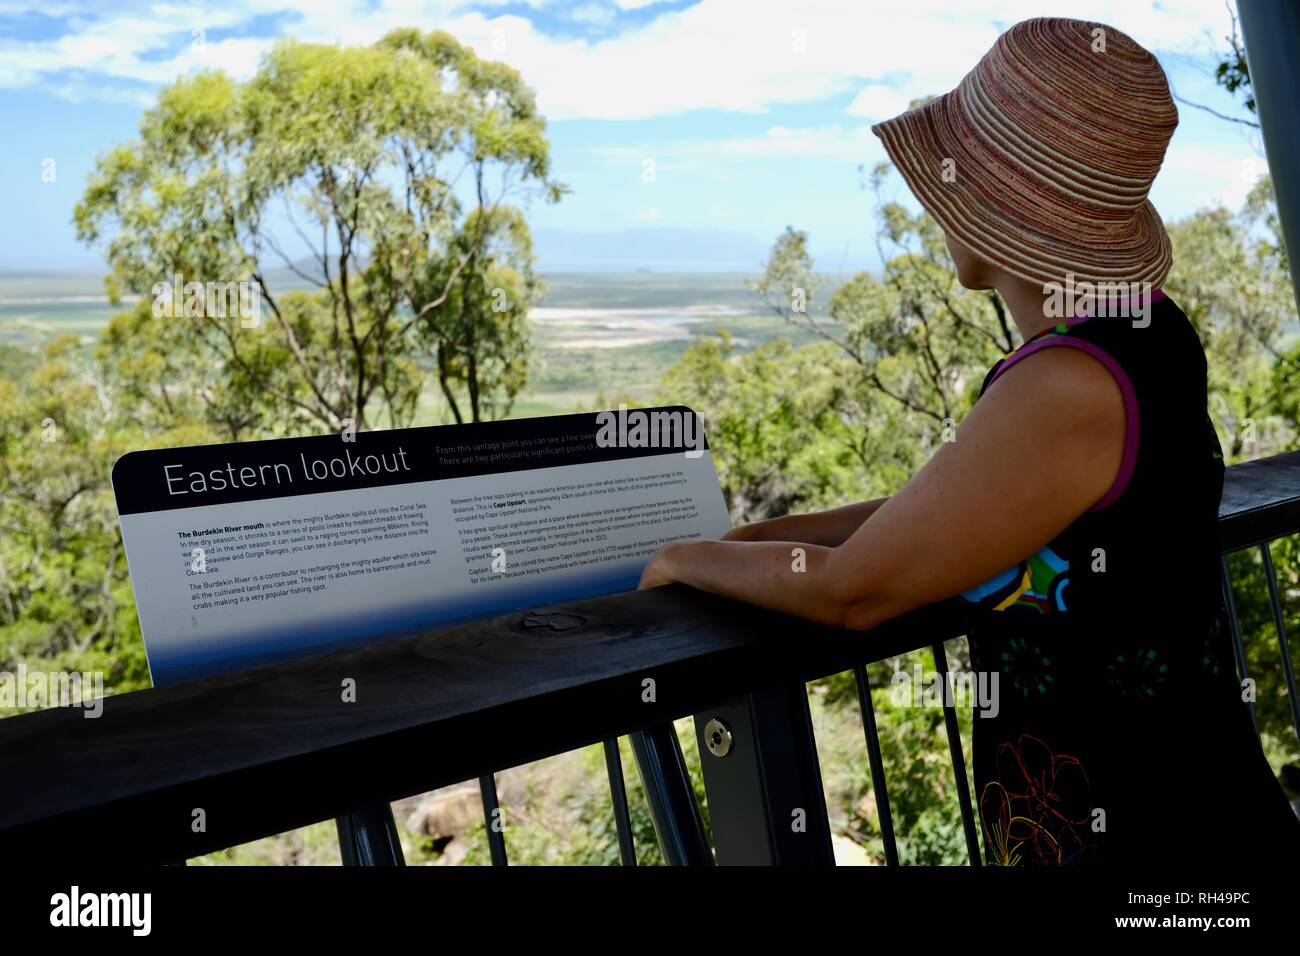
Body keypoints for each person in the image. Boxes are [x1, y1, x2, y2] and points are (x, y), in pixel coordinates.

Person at [638, 17, 1300, 866]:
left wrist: (682, 561)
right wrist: (744, 543)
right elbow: (935, 516)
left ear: (1000, 208)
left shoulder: (1066, 386)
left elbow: (852, 592)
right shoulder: (1144, 335)